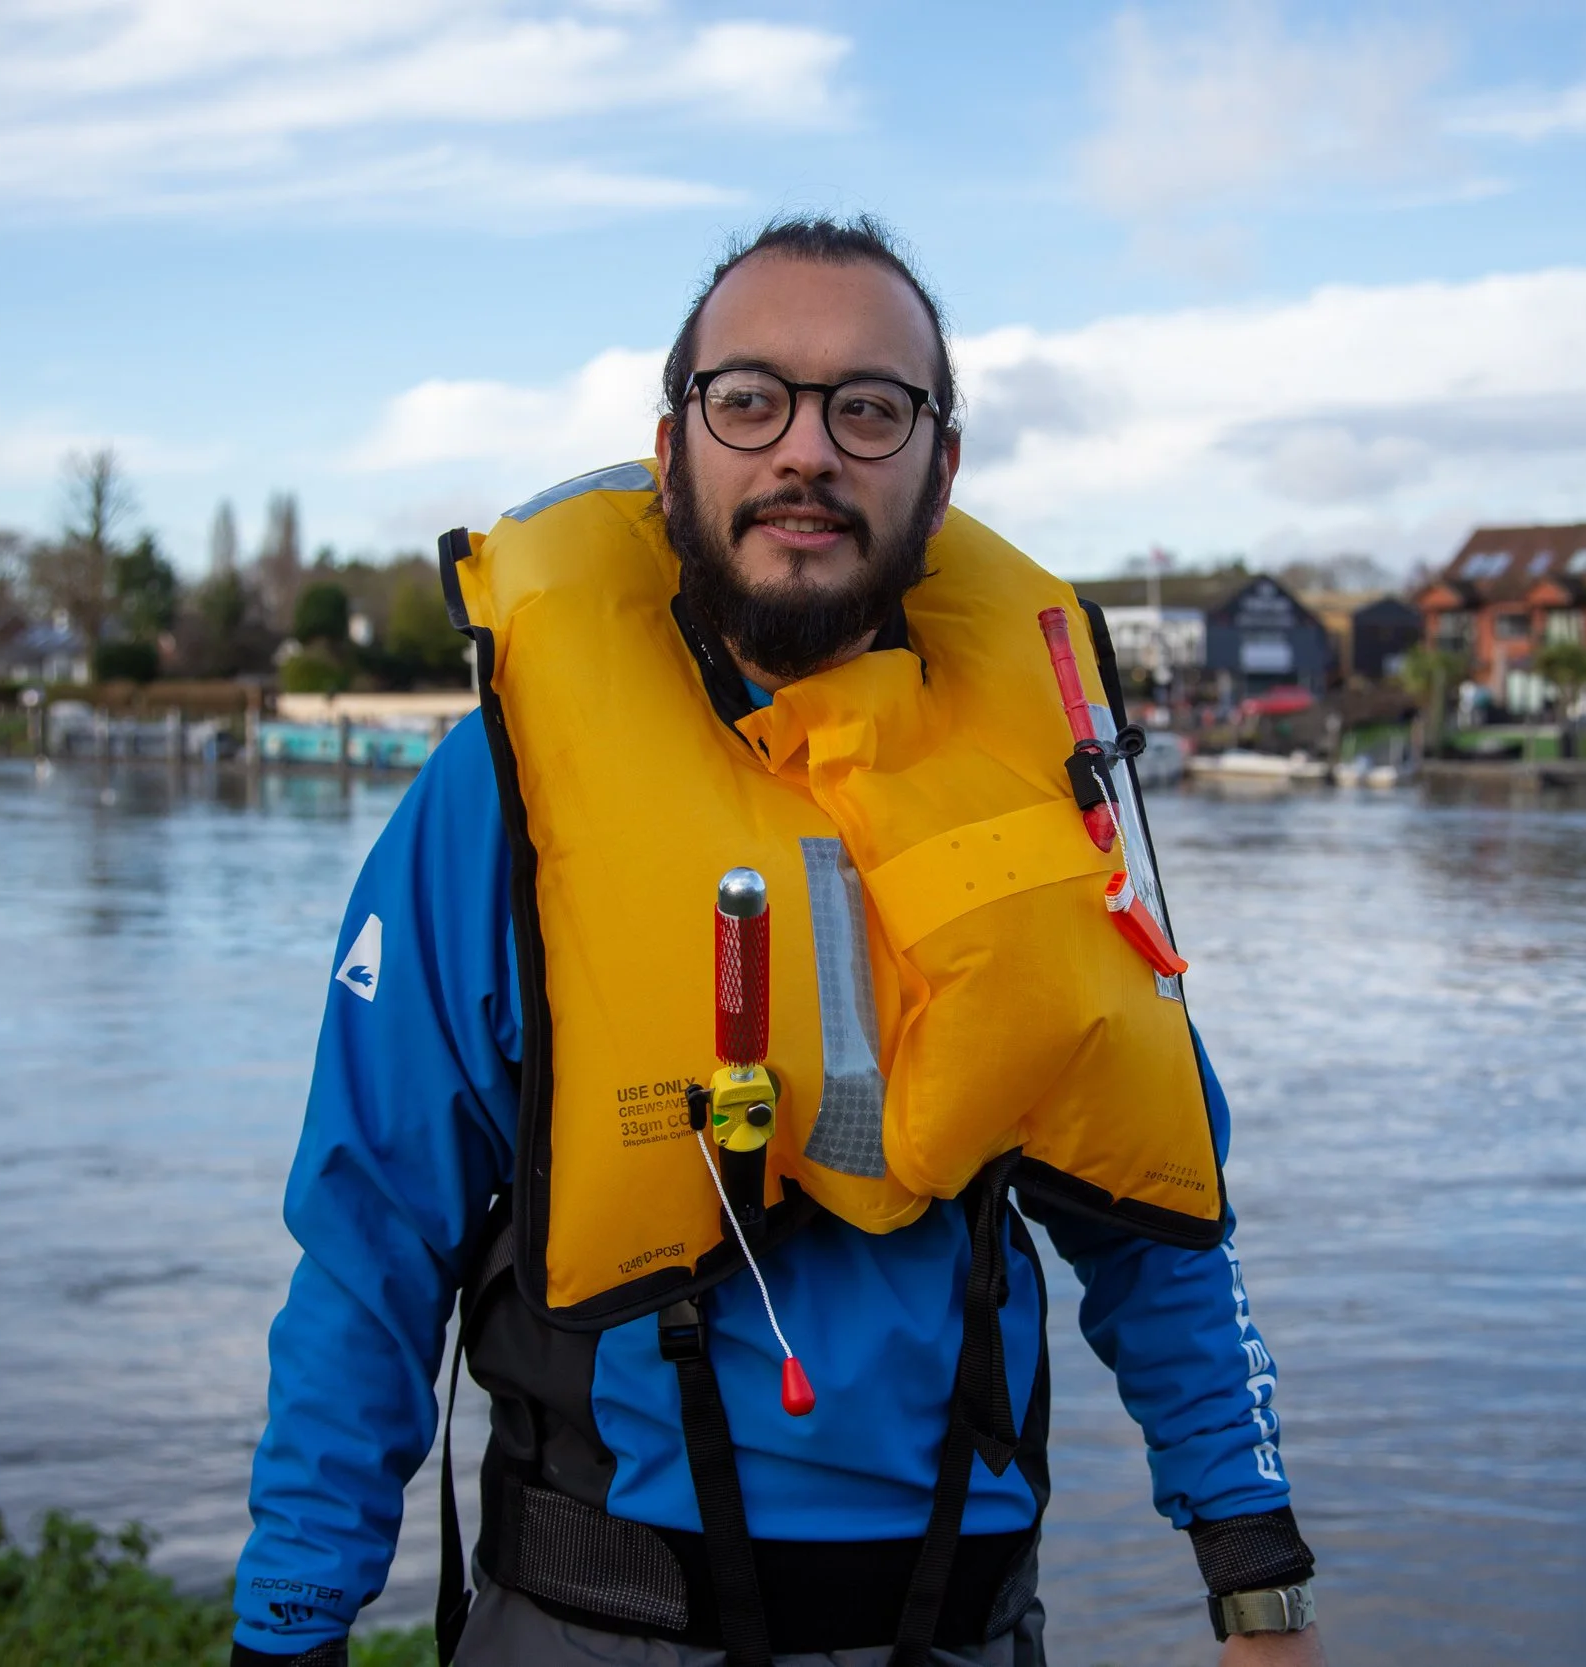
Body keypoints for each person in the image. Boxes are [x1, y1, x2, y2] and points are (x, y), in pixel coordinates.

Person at [230, 215, 1323, 1667]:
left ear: (941, 467)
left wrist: (1258, 1587)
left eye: (870, 407)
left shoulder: (1044, 786)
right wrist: (292, 1622)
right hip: (598, 1623)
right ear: (672, 446)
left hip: (969, 1628)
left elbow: (1164, 1223)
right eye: (750, 399)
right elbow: (372, 1235)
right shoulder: (509, 791)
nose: (806, 449)